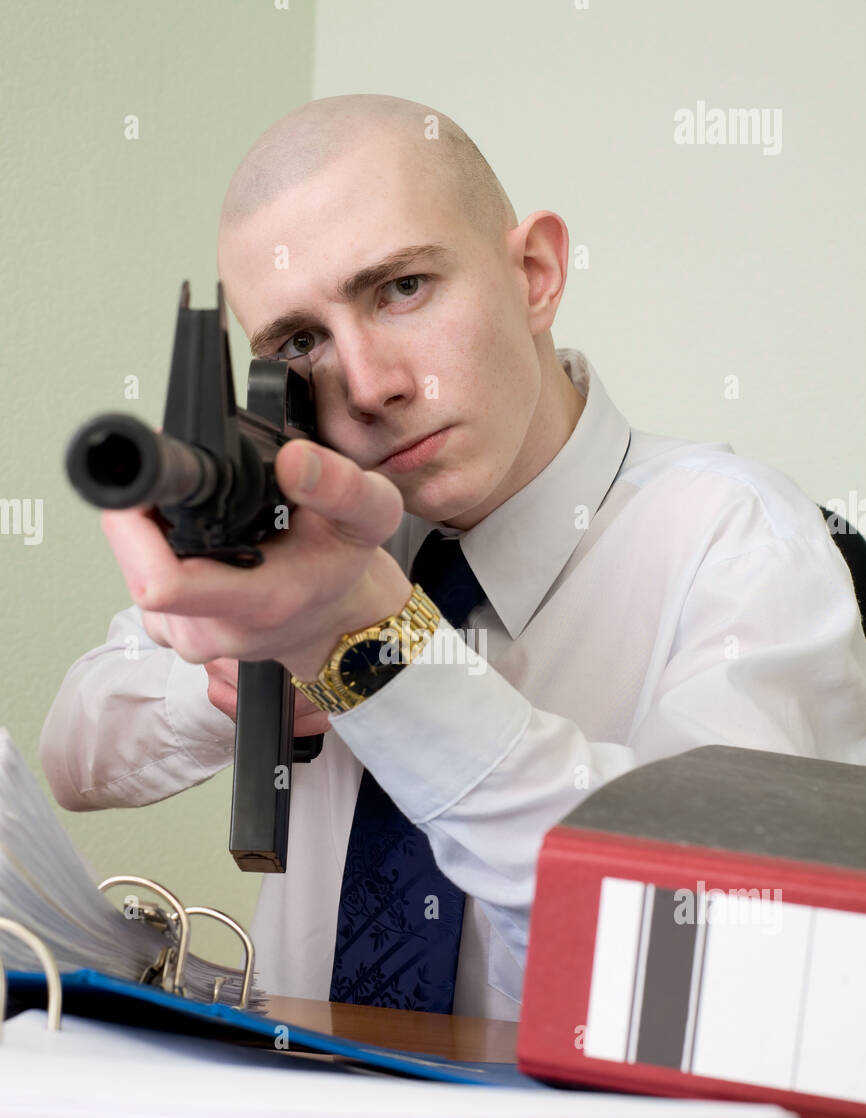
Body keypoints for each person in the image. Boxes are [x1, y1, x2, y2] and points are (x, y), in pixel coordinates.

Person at [40, 94, 866, 1021]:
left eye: (402, 288)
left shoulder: (741, 541)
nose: (370, 387)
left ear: (536, 274)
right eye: (301, 342)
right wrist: (233, 683)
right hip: (287, 1104)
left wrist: (376, 650)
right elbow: (74, 751)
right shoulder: (318, 531)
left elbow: (704, 952)